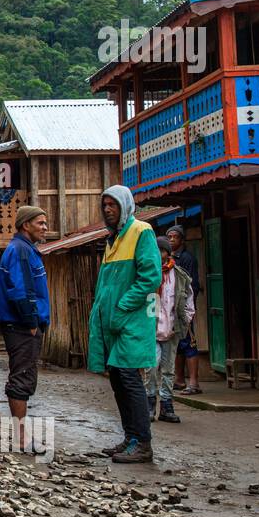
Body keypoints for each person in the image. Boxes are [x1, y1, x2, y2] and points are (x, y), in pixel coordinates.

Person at [88, 184, 162, 463]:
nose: (108, 209)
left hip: (132, 323)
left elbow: (150, 278)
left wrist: (121, 307)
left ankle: (143, 443)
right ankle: (131, 437)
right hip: (115, 325)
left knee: (130, 382)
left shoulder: (141, 232)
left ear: (125, 206)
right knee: (119, 381)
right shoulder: (112, 239)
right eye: (104, 205)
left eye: (113, 205)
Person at [0, 205, 51, 453]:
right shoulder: (20, 251)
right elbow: (21, 291)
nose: (45, 227)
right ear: (25, 225)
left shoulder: (25, 250)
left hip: (21, 324)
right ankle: (21, 438)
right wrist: (31, 323)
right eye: (40, 223)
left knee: (24, 375)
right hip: (21, 326)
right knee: (22, 377)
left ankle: (22, 436)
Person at [147, 236, 194, 424]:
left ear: (168, 253)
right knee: (151, 368)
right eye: (156, 250)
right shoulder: (148, 274)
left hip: (172, 330)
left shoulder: (180, 276)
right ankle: (149, 405)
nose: (159, 254)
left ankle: (167, 406)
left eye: (162, 250)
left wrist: (186, 320)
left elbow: (189, 300)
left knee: (168, 370)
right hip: (151, 330)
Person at [166, 225, 203, 395]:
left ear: (181, 240)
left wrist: (187, 310)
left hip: (184, 309)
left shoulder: (187, 258)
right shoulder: (169, 260)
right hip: (171, 309)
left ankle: (194, 383)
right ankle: (179, 380)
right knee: (177, 345)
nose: (172, 240)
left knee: (189, 344)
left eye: (175, 237)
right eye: (169, 237)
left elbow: (190, 286)